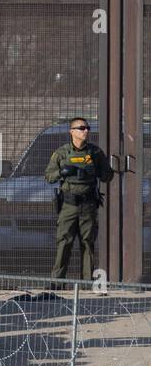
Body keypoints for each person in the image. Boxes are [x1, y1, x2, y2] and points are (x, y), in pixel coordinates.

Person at [45, 116, 112, 284]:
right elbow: (48, 176)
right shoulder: (61, 153)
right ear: (72, 132)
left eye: (87, 128)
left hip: (88, 204)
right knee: (64, 243)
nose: (86, 131)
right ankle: (57, 285)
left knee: (87, 244)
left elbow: (108, 175)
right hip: (68, 205)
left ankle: (87, 285)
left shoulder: (95, 152)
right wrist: (63, 172)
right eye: (82, 128)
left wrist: (94, 172)